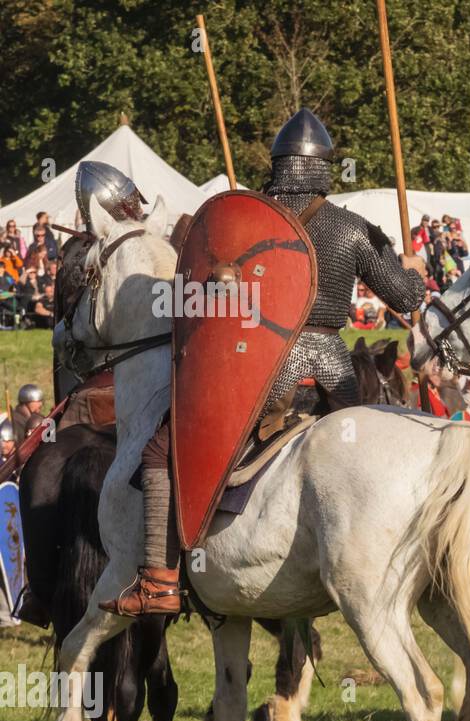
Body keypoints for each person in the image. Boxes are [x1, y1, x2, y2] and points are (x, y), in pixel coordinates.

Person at [101, 108, 426, 617]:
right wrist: (414, 270)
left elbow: (202, 307)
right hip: (337, 374)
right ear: (325, 166)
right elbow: (405, 299)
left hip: (264, 372)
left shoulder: (245, 221)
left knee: (163, 451)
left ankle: (161, 580)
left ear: (277, 164)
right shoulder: (352, 228)